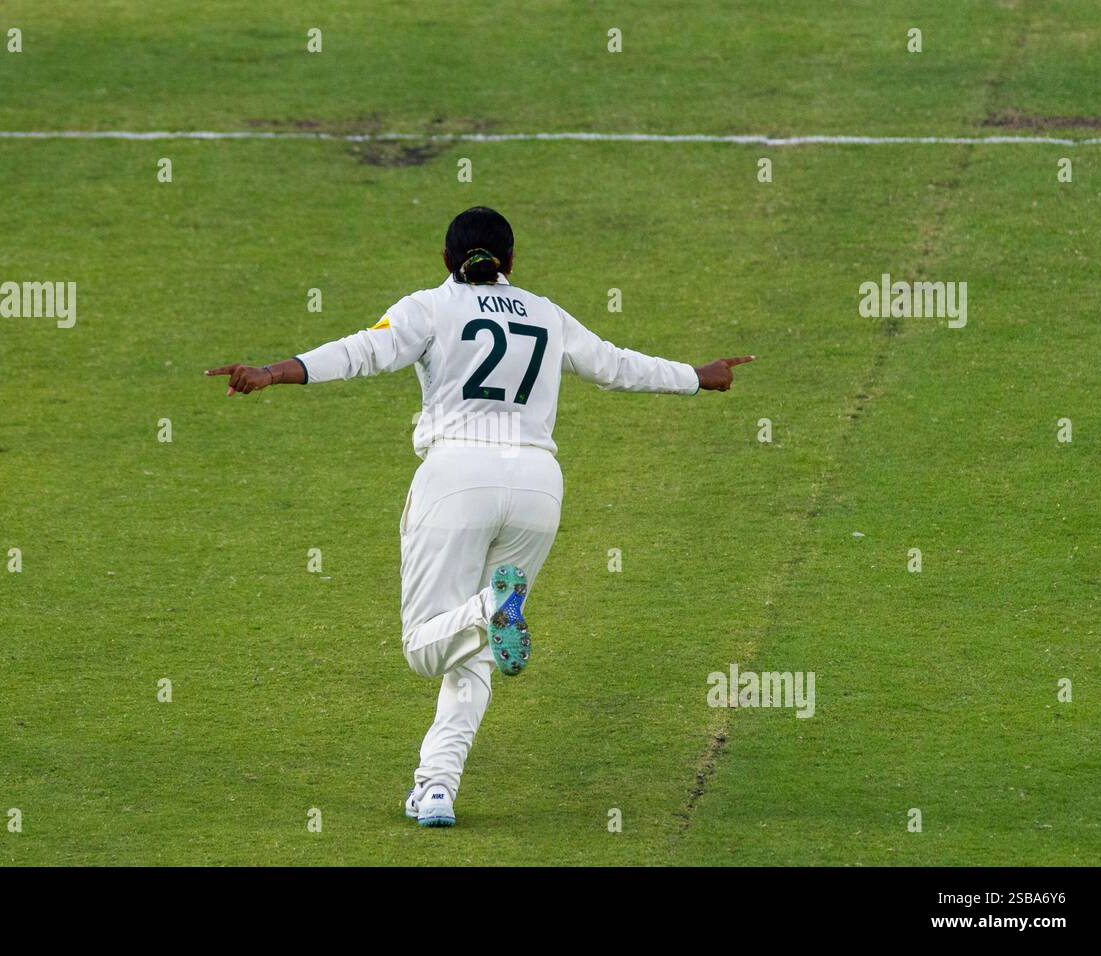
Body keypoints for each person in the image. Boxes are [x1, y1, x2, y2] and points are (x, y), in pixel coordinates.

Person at [206, 206, 753, 827]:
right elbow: (613, 364)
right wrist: (696, 377)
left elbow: (359, 352)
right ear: (512, 262)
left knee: (423, 647)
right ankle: (436, 786)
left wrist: (271, 373)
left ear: (446, 259)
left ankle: (491, 607)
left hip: (457, 478)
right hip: (538, 488)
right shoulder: (546, 313)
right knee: (477, 652)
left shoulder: (429, 307)